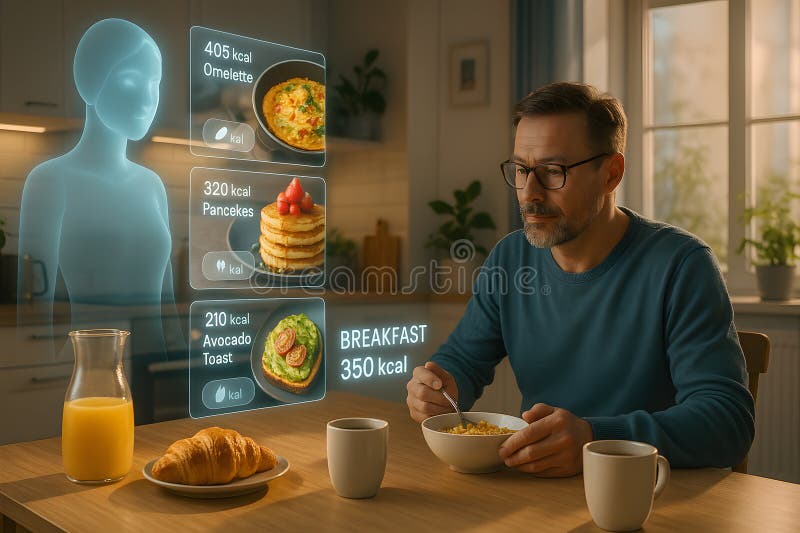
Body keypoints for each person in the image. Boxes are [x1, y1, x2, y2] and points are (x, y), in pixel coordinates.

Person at [405, 82, 755, 477]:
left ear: (611, 173)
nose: (529, 193)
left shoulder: (681, 265)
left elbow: (728, 422)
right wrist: (440, 388)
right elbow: (463, 362)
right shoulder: (510, 259)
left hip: (652, 499)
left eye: (553, 171)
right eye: (521, 170)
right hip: (540, 495)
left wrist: (594, 439)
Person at [18, 19, 177, 359]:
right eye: (131, 79)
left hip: (156, 371)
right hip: (87, 373)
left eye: (156, 82)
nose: (149, 97)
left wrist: (181, 370)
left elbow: (169, 306)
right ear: (90, 84)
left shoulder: (152, 185)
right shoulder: (49, 181)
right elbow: (32, 315)